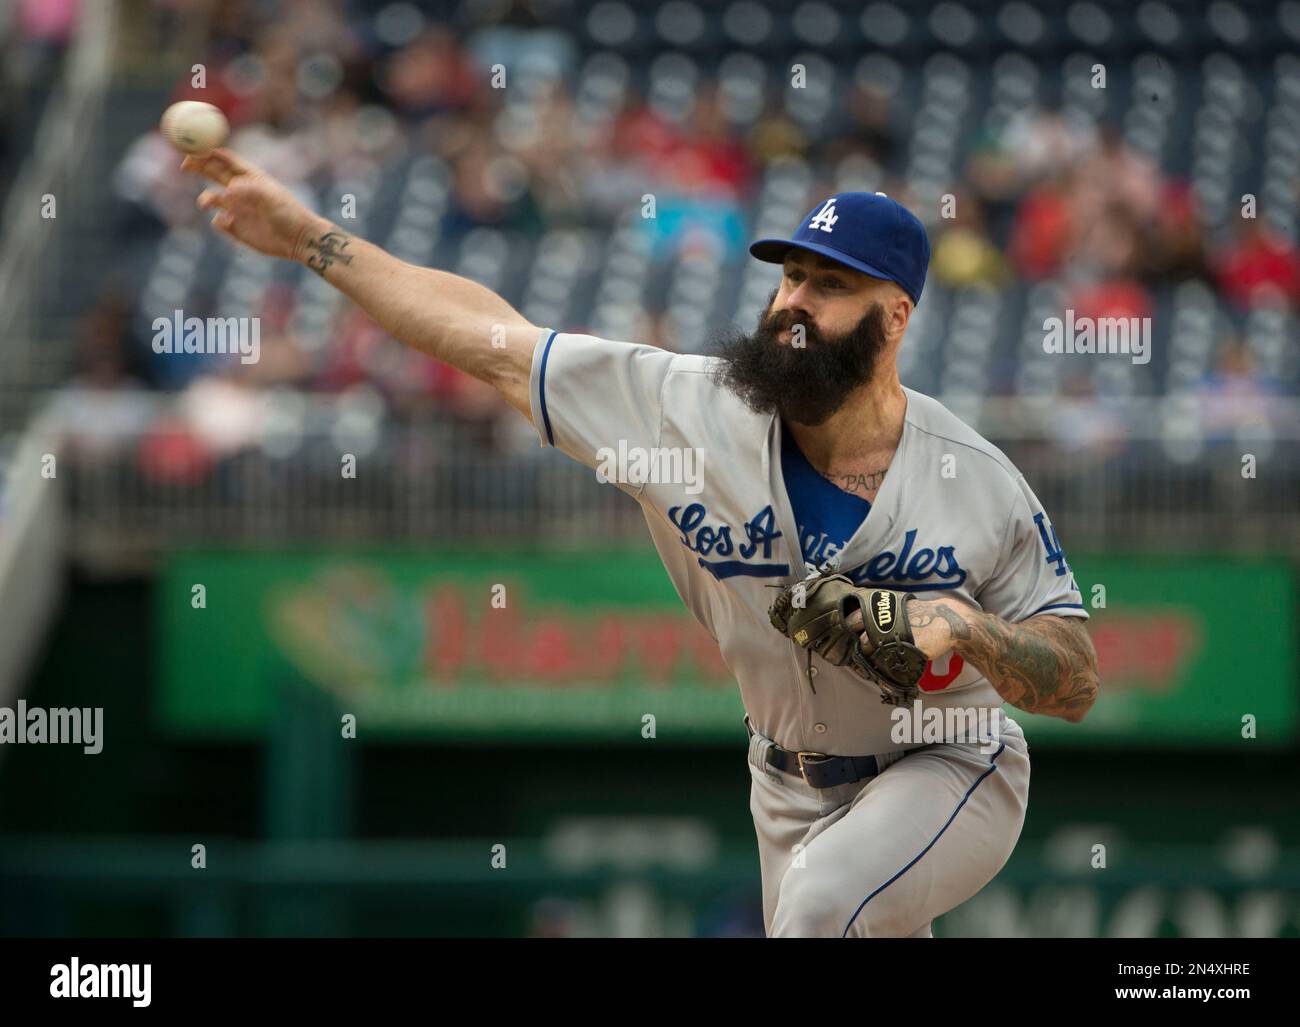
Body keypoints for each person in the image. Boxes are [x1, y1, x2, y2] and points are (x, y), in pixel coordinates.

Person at [183, 150, 1100, 937]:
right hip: (784, 784)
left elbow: (1075, 676)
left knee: (825, 908)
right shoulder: (684, 410)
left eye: (831, 285)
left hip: (949, 761)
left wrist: (967, 628)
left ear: (894, 316)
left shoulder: (972, 479)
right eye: (790, 275)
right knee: (829, 905)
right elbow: (494, 341)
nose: (795, 302)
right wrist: (308, 235)